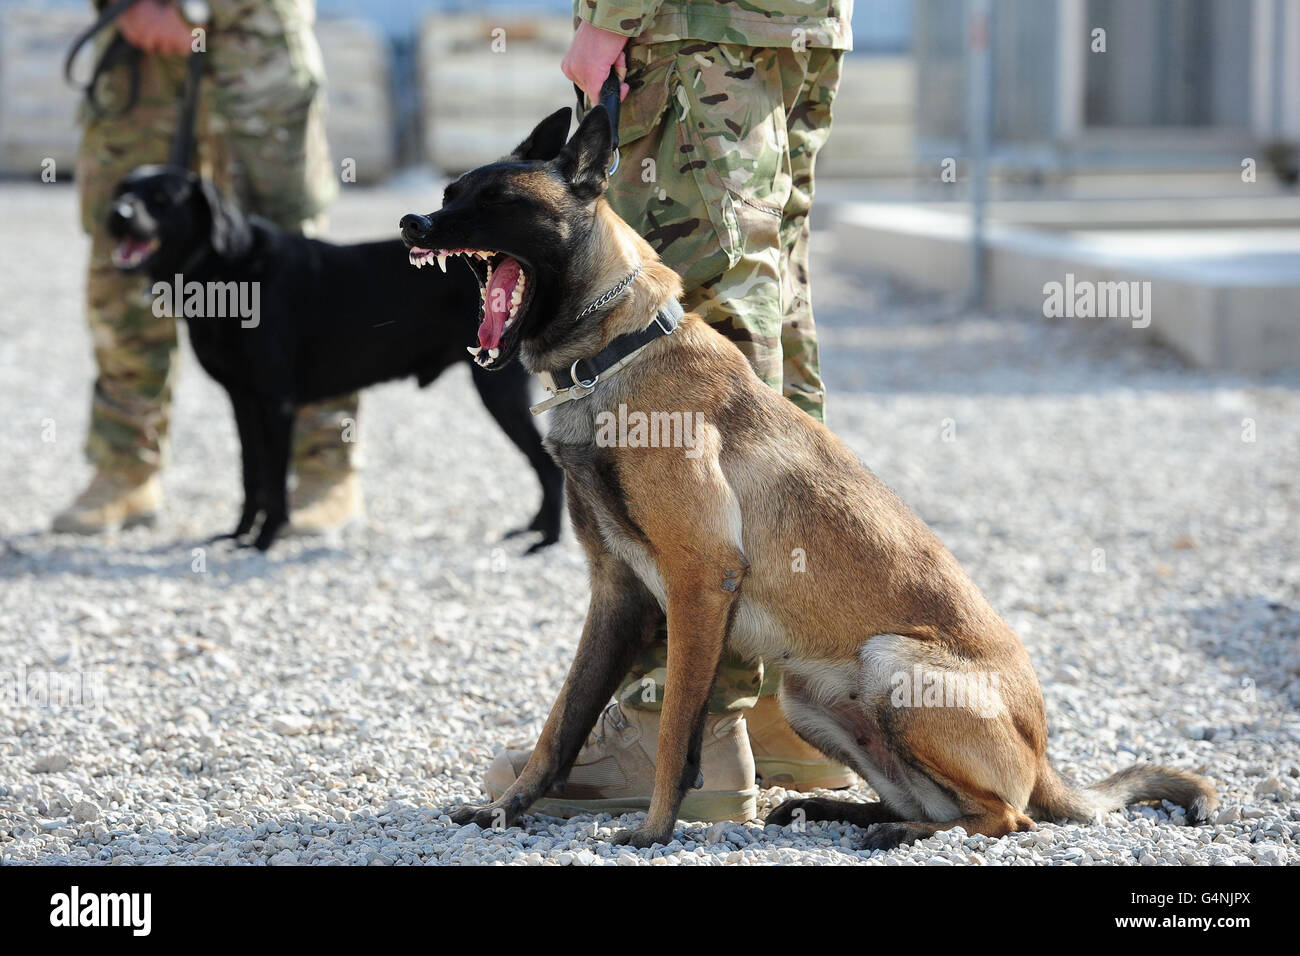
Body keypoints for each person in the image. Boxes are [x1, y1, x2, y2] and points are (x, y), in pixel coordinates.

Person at [484, 0, 856, 823]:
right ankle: (780, 701)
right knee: (766, 318)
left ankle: (687, 729)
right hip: (779, 27)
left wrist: (615, 13)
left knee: (690, 330)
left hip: (688, 28)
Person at [53, 0, 361, 537]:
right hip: (140, 46)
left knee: (291, 263)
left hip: (253, 41)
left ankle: (324, 467)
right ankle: (126, 467)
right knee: (126, 251)